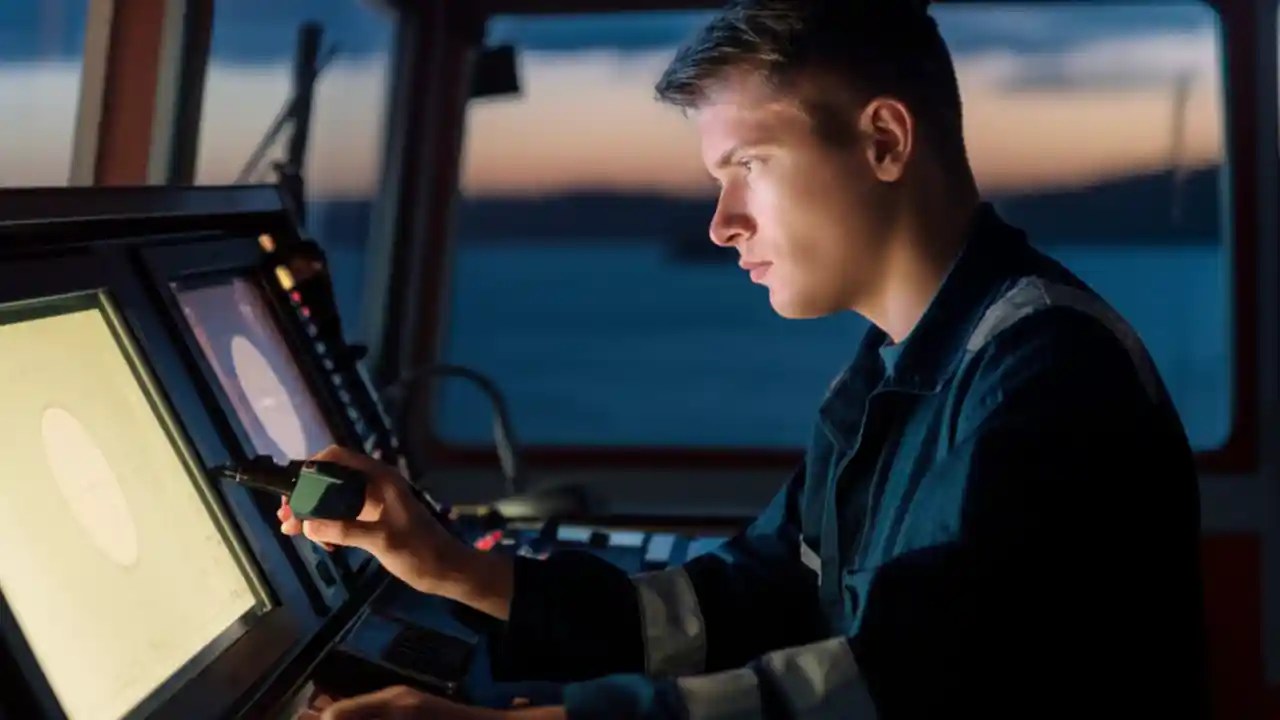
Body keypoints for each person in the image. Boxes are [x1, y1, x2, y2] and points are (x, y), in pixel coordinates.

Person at [282, 0, 1210, 717]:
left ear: (884, 141)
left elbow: (907, 688)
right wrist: (451, 567)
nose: (723, 225)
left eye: (749, 166)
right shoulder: (892, 370)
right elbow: (753, 598)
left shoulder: (1049, 378)